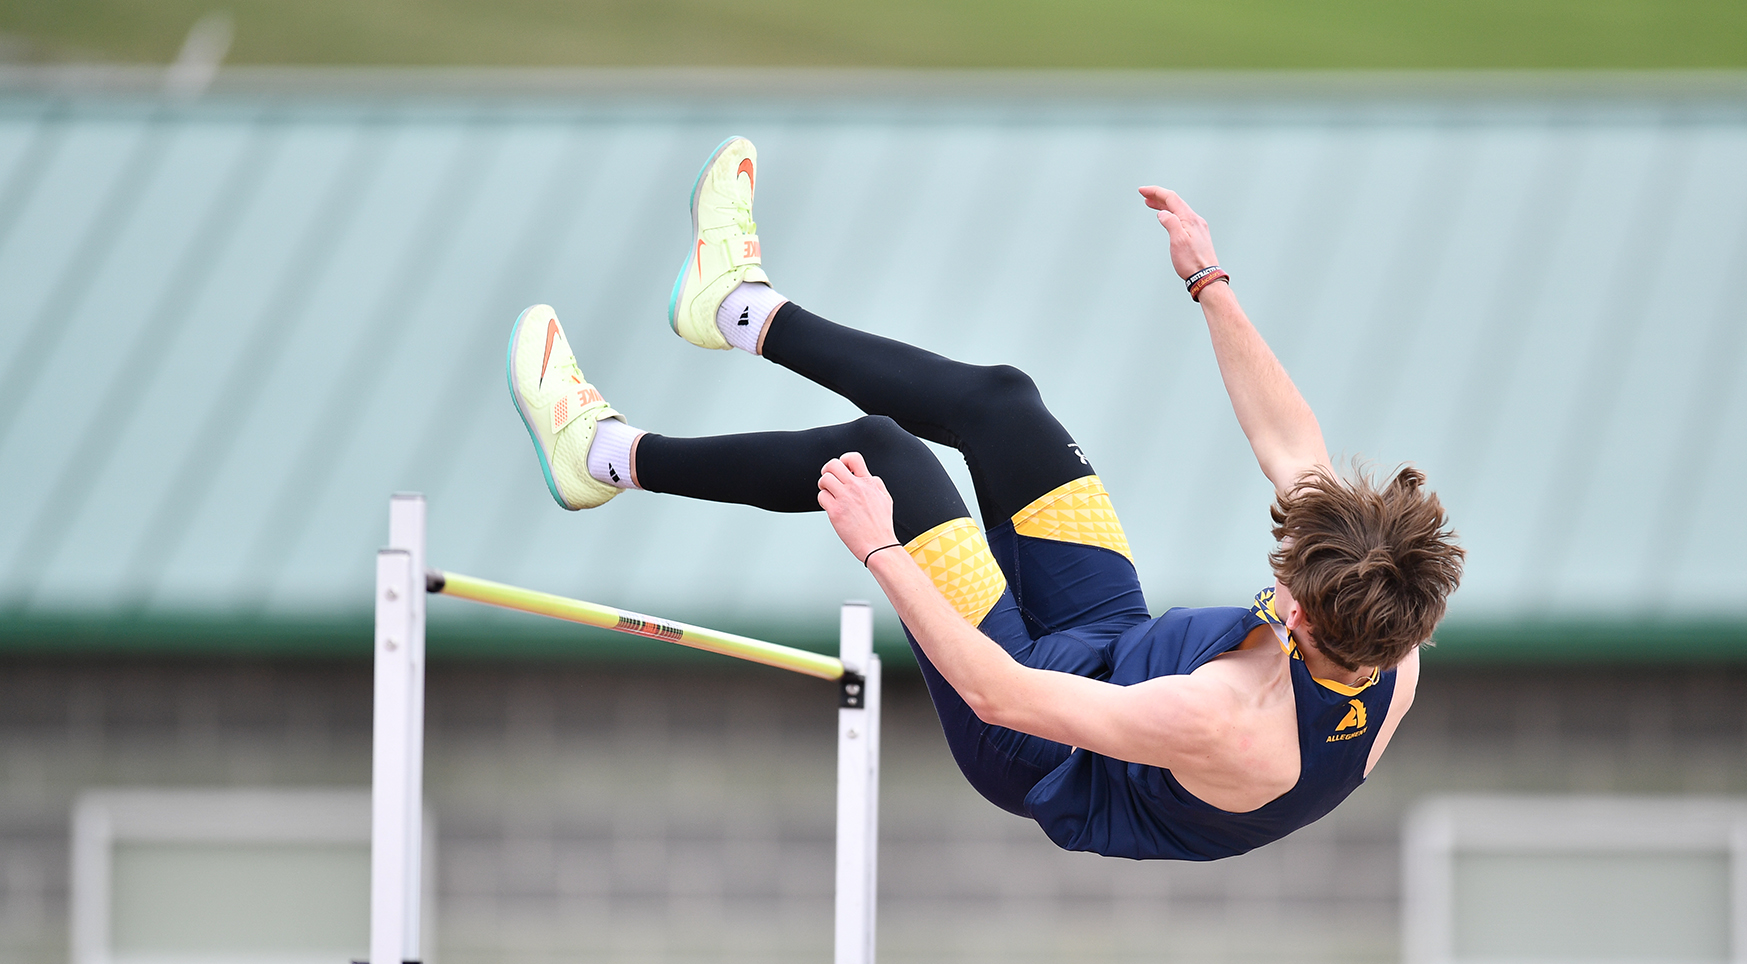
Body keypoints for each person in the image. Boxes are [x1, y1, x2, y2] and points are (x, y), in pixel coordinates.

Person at [509, 137, 1464, 861]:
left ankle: (601, 453)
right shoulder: (1388, 617)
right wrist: (1208, 279)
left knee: (882, 461)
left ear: (1295, 610)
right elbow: (1291, 447)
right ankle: (735, 306)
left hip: (1032, 735)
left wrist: (881, 551)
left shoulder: (1228, 725)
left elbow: (996, 691)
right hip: (1116, 647)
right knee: (1004, 405)